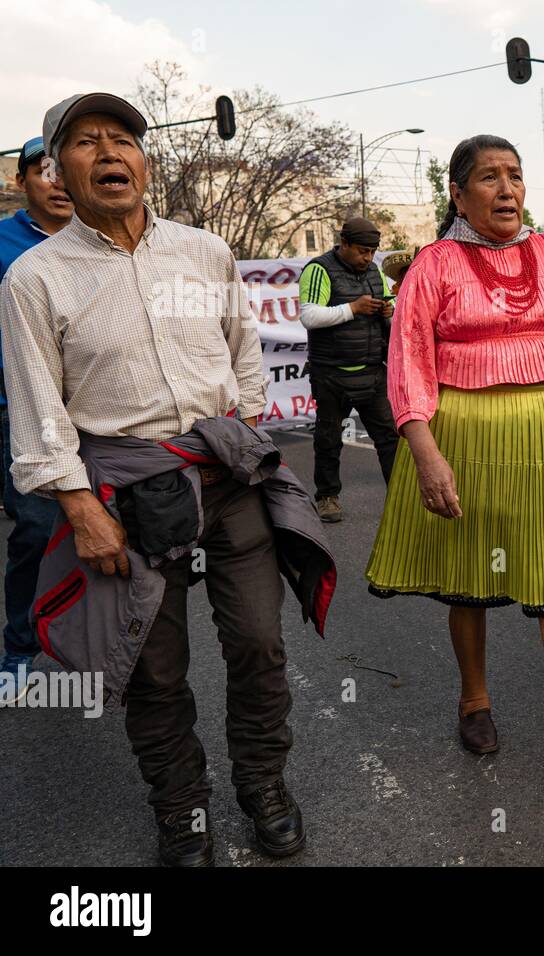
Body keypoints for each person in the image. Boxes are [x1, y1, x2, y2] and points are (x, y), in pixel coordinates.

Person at [0, 92, 334, 865]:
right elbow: (39, 405)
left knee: (258, 643)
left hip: (226, 474)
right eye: (85, 142)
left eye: (123, 139)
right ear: (56, 168)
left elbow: (242, 349)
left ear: (146, 162)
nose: (109, 153)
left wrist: (247, 430)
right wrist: (80, 508)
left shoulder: (204, 251)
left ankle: (264, 787)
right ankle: (182, 810)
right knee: (151, 670)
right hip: (124, 493)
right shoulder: (35, 279)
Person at [366, 134, 544, 801]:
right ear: (458, 195)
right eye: (488, 178)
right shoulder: (432, 265)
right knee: (471, 580)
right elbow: (407, 361)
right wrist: (425, 452)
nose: (507, 189)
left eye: (515, 176)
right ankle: (474, 699)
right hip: (459, 432)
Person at [0, 137, 71, 704]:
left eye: (62, 167)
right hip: (23, 413)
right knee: (36, 528)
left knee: (125, 529)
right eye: (42, 170)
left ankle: (105, 636)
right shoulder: (4, 245)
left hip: (102, 414)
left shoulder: (103, 243)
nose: (57, 180)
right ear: (23, 181)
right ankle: (21, 646)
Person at [298, 217, 400, 523]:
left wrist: (388, 310)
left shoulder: (373, 271)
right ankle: (327, 497)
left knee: (389, 438)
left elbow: (389, 306)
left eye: (372, 252)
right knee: (329, 439)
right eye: (362, 251)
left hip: (371, 370)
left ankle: (399, 498)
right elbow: (310, 316)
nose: (368, 258)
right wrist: (353, 308)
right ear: (344, 244)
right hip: (331, 374)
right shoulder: (319, 269)